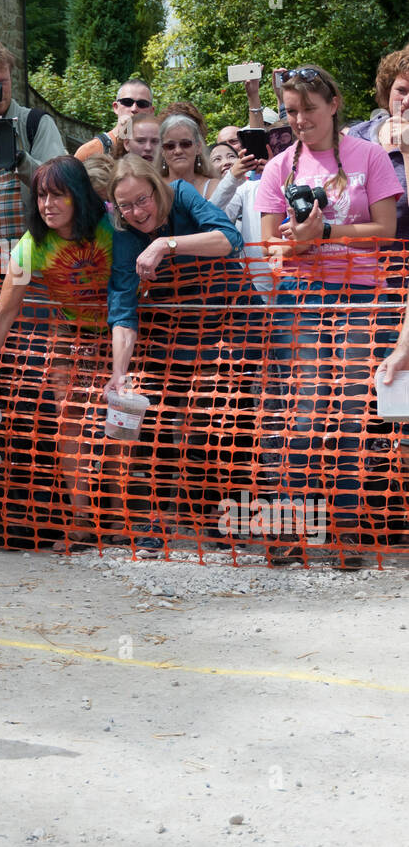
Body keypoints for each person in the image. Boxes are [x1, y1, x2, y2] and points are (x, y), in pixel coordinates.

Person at [256, 64, 401, 566]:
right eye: (291, 111)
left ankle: (344, 531)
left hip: (362, 295)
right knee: (305, 407)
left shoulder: (371, 155)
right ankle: (291, 529)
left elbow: (385, 228)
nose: (299, 120)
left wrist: (328, 236)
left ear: (334, 104)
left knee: (350, 409)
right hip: (301, 297)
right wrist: (292, 246)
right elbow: (269, 247)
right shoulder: (279, 167)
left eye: (309, 110)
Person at [0, 156, 127, 551]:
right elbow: (3, 313)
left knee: (122, 426)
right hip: (70, 336)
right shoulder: (30, 246)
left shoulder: (113, 226)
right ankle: (82, 523)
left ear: (79, 197)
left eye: (58, 195)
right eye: (41, 195)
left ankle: (122, 522)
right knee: (71, 428)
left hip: (124, 333)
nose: (47, 204)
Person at [106, 154, 254, 550]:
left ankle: (223, 519)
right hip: (169, 330)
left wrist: (164, 244)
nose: (137, 212)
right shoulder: (121, 232)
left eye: (143, 200)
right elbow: (123, 307)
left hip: (228, 320)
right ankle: (153, 520)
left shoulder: (184, 194)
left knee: (218, 419)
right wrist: (119, 372)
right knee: (152, 422)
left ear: (157, 189)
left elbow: (229, 239)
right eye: (126, 205)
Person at [0, 38, 67, 240]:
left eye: (3, 82)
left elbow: (61, 184)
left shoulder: (34, 123)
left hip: (30, 261)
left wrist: (17, 159)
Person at [345, 46, 409, 239]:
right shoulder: (359, 135)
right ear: (387, 91)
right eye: (401, 90)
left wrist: (406, 152)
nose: (406, 101)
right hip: (359, 262)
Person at [75, 80, 155, 161]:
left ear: (152, 111)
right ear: (116, 107)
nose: (134, 109)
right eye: (127, 102)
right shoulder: (89, 152)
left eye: (142, 104)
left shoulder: (160, 153)